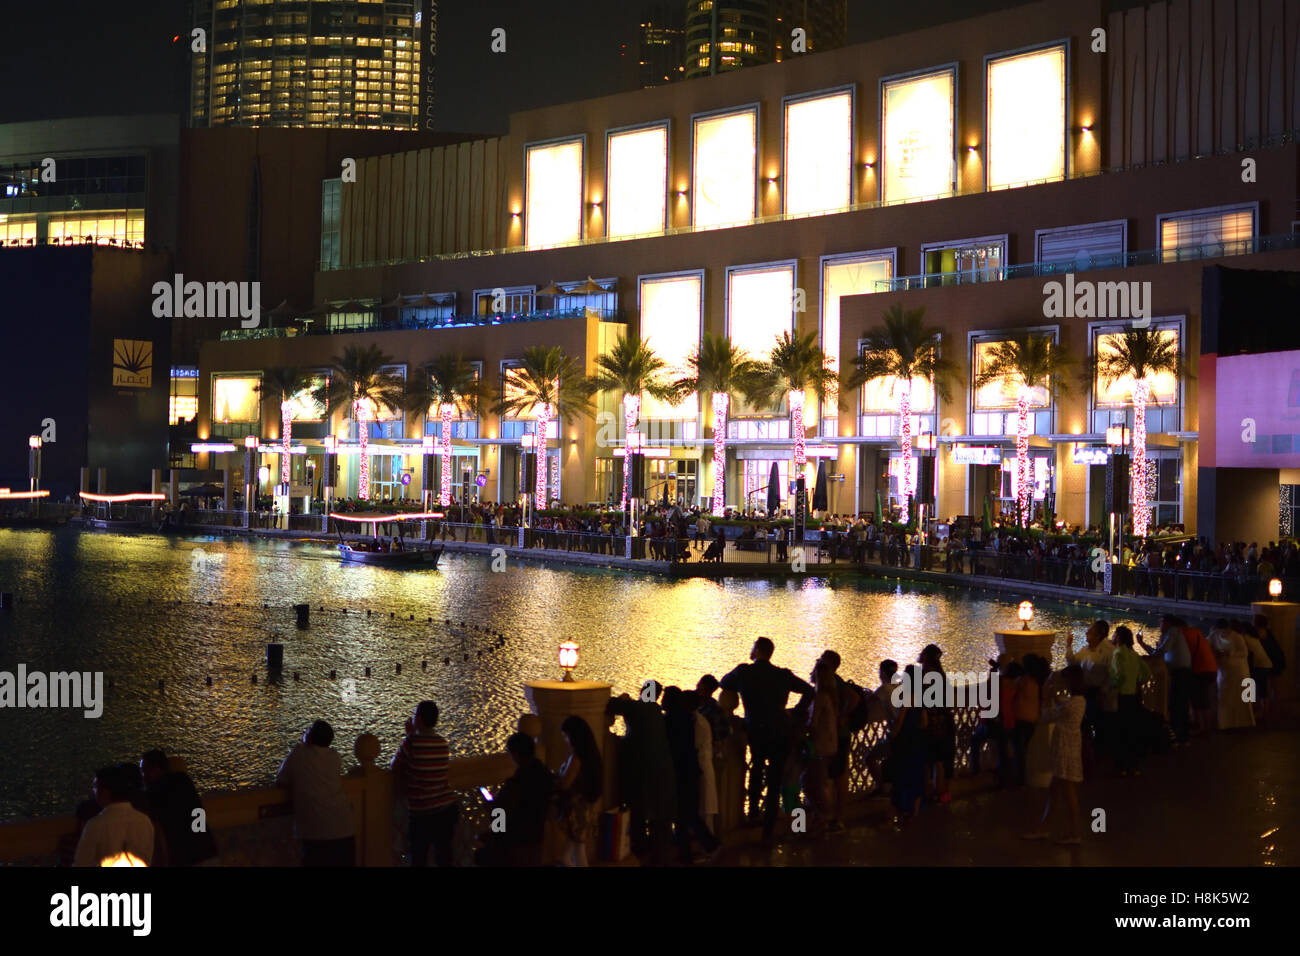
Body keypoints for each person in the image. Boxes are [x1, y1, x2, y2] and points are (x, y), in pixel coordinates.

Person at [720, 637, 814, 840]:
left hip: (756, 730)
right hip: (781, 730)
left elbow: (723, 682)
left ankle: (753, 812)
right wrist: (795, 713)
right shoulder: (782, 675)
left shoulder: (744, 672)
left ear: (757, 651)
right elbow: (809, 691)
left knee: (756, 769)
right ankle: (768, 830)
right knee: (775, 779)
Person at [606, 693, 676, 865]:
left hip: (645, 778)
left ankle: (646, 854)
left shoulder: (638, 707)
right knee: (660, 823)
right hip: (663, 776)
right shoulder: (655, 711)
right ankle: (660, 858)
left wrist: (624, 700)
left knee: (641, 815)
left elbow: (610, 704)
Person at [275, 721, 356, 867]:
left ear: (309, 737)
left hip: (315, 831)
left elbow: (281, 779)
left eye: (307, 730)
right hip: (344, 827)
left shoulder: (299, 753)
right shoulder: (334, 756)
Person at [390, 700, 459, 866]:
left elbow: (394, 766)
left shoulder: (412, 742)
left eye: (414, 715)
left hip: (424, 812)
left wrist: (409, 735)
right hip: (447, 808)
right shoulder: (443, 743)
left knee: (419, 858)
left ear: (418, 719)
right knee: (444, 857)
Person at [1023, 665, 1087, 845]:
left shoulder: (1073, 703)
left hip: (1065, 751)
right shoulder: (1079, 701)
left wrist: (1046, 698)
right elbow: (1062, 706)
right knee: (1056, 791)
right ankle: (1046, 828)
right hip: (1069, 749)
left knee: (1067, 792)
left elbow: (1047, 717)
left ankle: (1074, 832)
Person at [476, 732, 554, 866]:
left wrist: (491, 807)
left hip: (516, 840)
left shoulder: (517, 783)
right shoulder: (544, 775)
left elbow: (500, 812)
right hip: (537, 836)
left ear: (516, 754)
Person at [140, 749, 218, 867]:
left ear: (156, 769)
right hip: (205, 852)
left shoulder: (153, 794)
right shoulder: (184, 782)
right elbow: (198, 812)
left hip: (182, 858)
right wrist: (201, 837)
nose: (143, 776)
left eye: (144, 770)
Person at [74, 763, 155, 866]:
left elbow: (81, 863)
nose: (93, 791)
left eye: (96, 787)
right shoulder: (144, 821)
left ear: (105, 791)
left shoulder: (96, 824)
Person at [554, 715, 603, 867]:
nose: (565, 740)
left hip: (576, 810)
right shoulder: (592, 755)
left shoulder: (576, 758)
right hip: (585, 808)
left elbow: (566, 783)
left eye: (566, 736)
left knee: (576, 852)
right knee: (573, 851)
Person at [1138, 615, 1192, 744]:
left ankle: (1178, 736)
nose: (1159, 625)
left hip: (1180, 673)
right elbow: (1159, 652)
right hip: (1181, 672)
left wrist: (1142, 644)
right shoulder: (1174, 633)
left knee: (1176, 704)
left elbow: (1160, 652)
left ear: (1168, 623)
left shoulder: (1172, 632)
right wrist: (1142, 644)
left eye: (1161, 622)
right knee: (1179, 704)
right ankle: (1182, 736)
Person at [887, 666, 929, 821]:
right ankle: (915, 813)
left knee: (902, 776)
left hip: (905, 741)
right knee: (916, 777)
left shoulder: (906, 696)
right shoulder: (920, 697)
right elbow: (924, 722)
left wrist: (893, 734)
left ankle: (899, 811)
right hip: (917, 740)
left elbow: (900, 719)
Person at [1109, 626, 1152, 775]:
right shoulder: (1133, 654)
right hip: (1134, 695)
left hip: (1122, 696)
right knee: (1132, 731)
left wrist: (1111, 686)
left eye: (1114, 634)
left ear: (1118, 637)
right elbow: (1147, 673)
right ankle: (1133, 766)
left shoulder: (1118, 653)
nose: (1112, 637)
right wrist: (1138, 683)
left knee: (1121, 731)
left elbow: (1119, 676)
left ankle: (1122, 766)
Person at [1209, 622, 1255, 731]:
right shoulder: (1216, 636)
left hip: (1236, 672)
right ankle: (1229, 723)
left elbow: (1244, 653)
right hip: (1228, 672)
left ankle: (1237, 722)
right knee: (1230, 697)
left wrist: (1228, 653)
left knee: (1235, 697)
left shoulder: (1237, 637)